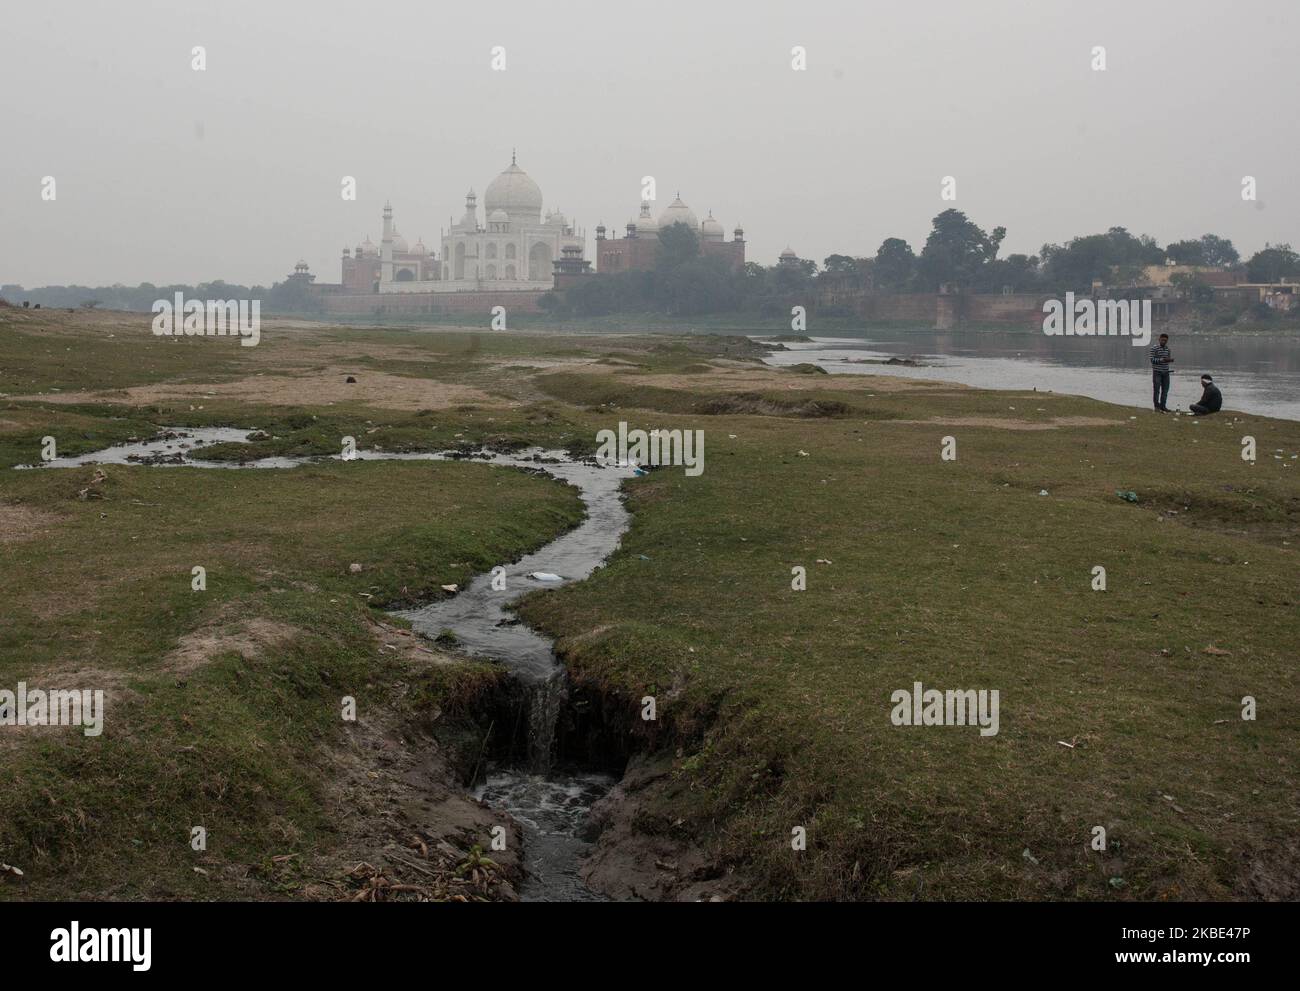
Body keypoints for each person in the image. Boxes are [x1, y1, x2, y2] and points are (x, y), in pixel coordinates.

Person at [1149, 333, 1173, 411]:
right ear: (1159, 339)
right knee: (1156, 390)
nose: (1164, 342)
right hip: (1157, 372)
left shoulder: (1167, 349)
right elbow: (1152, 360)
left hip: (1166, 372)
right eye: (1162, 340)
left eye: (1165, 340)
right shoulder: (1154, 348)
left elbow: (1167, 360)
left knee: (1165, 390)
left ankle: (1163, 406)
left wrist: (1169, 360)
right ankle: (1156, 406)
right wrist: (1162, 360)